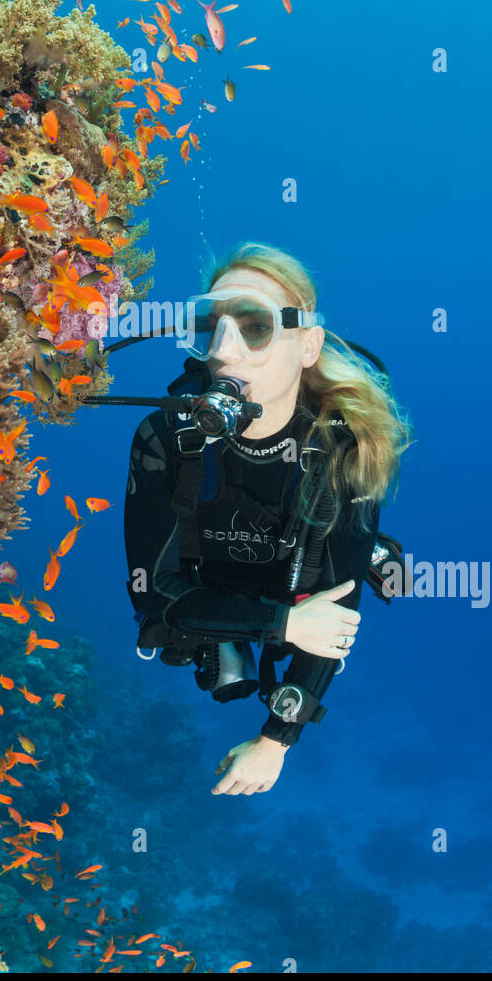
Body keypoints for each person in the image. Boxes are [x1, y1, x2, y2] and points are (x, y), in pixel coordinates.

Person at [124, 241, 411, 797]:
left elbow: (334, 622)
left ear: (308, 346)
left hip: (295, 579)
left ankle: (364, 547)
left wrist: (276, 740)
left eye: (255, 326)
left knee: (375, 577)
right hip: (219, 592)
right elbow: (151, 595)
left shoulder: (343, 449)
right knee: (183, 643)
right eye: (210, 326)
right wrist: (280, 625)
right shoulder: (165, 437)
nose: (223, 351)